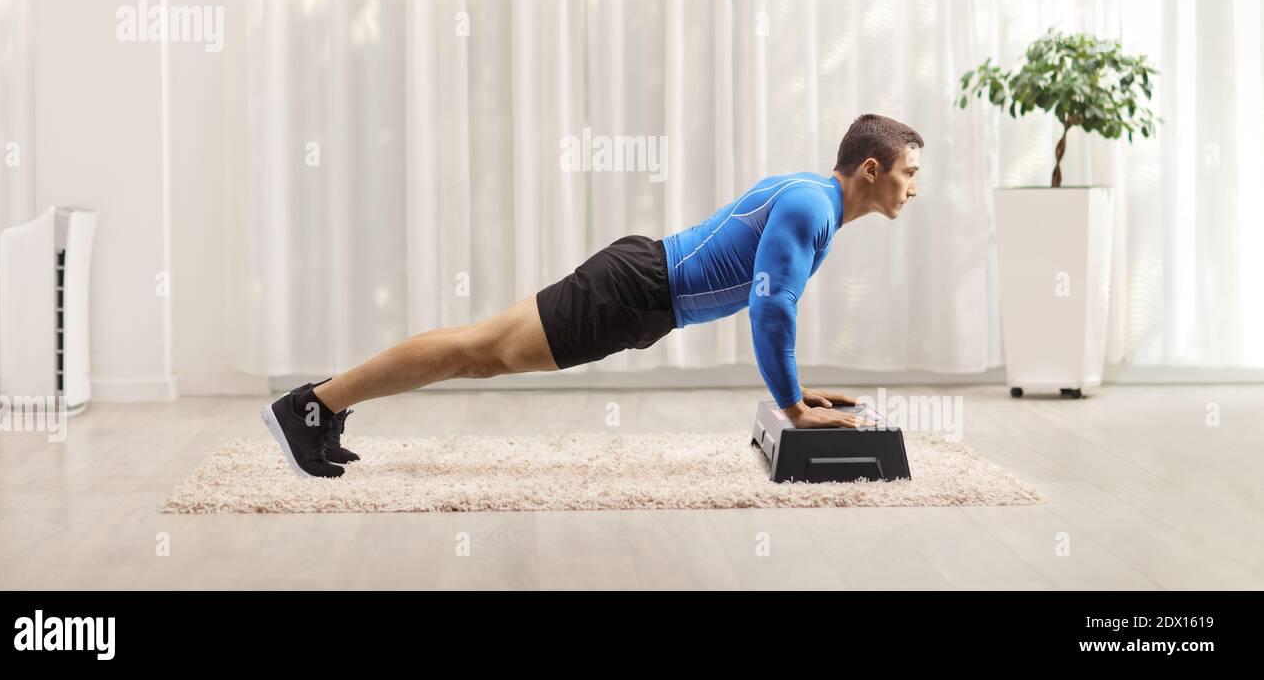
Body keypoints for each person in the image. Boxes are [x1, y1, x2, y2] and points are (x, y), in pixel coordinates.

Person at [262, 113, 923, 477]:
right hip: (634, 291)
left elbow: (768, 296)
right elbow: (772, 307)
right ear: (872, 168)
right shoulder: (812, 207)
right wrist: (792, 407)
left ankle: (320, 406)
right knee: (477, 353)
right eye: (909, 172)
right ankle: (311, 407)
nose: (913, 188)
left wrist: (797, 393)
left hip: (638, 280)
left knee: (479, 346)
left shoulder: (813, 198)